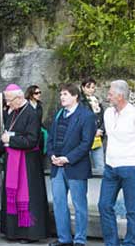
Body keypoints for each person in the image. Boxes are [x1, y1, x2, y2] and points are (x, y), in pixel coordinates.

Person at [98, 80, 135, 246]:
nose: (107, 96)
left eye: (110, 94)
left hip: (130, 168)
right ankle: (112, 243)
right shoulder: (108, 113)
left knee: (132, 210)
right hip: (110, 167)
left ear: (120, 96)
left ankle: (130, 243)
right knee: (104, 205)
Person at [0, 84, 50, 242]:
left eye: (9, 100)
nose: (7, 104)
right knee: (11, 196)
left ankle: (30, 234)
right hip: (13, 160)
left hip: (28, 164)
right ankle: (13, 232)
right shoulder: (13, 113)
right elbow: (6, 137)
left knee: (28, 198)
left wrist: (11, 139)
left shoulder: (32, 114)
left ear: (19, 98)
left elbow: (32, 140)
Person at [48, 84, 96, 246]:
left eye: (66, 94)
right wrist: (52, 154)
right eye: (61, 94)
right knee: (59, 204)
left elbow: (86, 143)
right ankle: (64, 239)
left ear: (75, 96)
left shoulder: (86, 116)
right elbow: (50, 138)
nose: (62, 97)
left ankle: (80, 240)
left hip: (75, 166)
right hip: (57, 167)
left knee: (79, 204)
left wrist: (67, 158)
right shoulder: (58, 114)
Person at [82, 78, 106, 177]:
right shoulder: (80, 102)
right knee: (83, 167)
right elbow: (82, 120)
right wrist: (93, 131)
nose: (91, 90)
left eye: (93, 87)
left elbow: (103, 117)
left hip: (98, 138)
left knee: (101, 166)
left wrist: (101, 129)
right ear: (83, 88)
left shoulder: (97, 101)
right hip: (85, 138)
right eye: (88, 87)